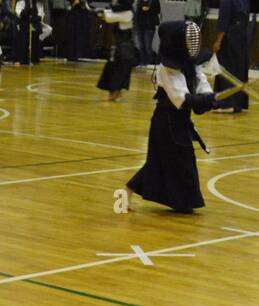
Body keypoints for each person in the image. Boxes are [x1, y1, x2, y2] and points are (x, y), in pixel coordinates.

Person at [125, 20, 224, 213]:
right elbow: (181, 99)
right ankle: (128, 191)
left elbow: (201, 83)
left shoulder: (190, 64)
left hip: (180, 121)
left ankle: (183, 201)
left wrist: (209, 97)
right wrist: (206, 100)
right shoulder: (166, 70)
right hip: (165, 121)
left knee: (172, 161)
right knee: (163, 161)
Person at [210, 0, 249, 113]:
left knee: (226, 70)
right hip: (241, 38)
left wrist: (218, 41)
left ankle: (227, 104)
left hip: (230, 38)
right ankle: (238, 103)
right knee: (239, 70)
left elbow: (223, 21)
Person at [95, 0, 137, 101]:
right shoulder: (122, 11)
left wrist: (100, 12)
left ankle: (115, 93)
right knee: (112, 68)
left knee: (119, 70)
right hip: (119, 45)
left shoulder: (128, 13)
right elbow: (110, 12)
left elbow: (109, 17)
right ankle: (115, 93)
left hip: (125, 47)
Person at [134, 0, 157, 66]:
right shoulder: (139, 1)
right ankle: (142, 63)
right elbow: (137, 12)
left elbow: (157, 10)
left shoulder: (154, 1)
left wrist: (149, 9)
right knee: (141, 46)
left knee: (148, 47)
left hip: (149, 26)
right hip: (140, 25)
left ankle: (149, 63)